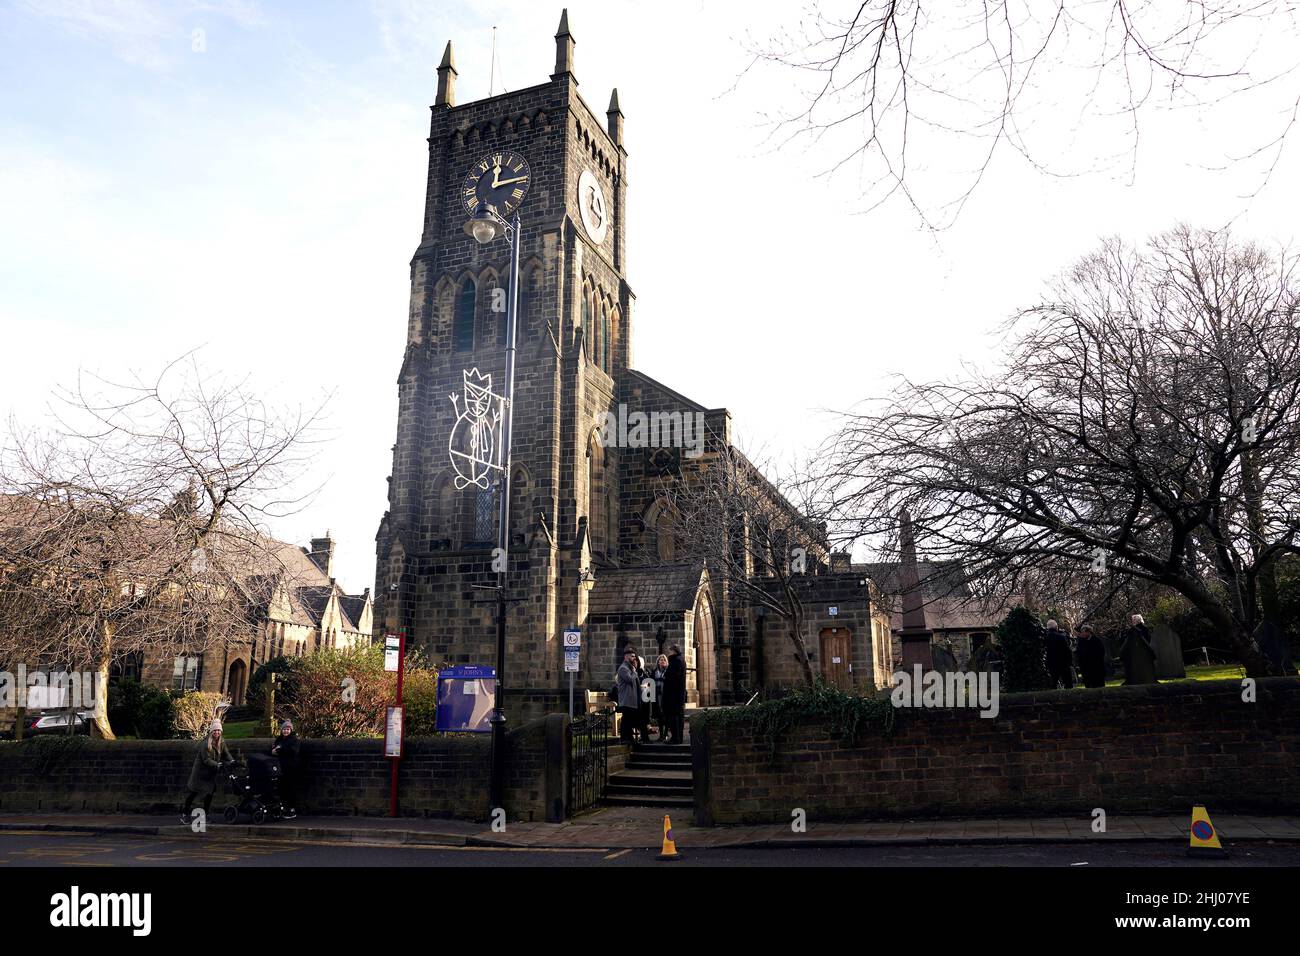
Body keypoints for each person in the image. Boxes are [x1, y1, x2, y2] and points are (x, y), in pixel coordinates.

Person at [181, 719, 233, 824]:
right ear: (211, 732)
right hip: (200, 773)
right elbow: (206, 760)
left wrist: (232, 761)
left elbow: (226, 754)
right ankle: (185, 814)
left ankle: (206, 814)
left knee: (209, 794)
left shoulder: (221, 742)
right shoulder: (205, 744)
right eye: (214, 731)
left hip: (210, 774)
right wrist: (217, 764)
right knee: (193, 793)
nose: (217, 732)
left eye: (218, 730)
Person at [270, 719, 300, 819]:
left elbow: (293, 751)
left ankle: (292, 809)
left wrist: (279, 750)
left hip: (291, 768)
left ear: (291, 730)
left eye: (287, 729)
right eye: (284, 729)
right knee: (281, 789)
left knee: (291, 789)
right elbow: (273, 749)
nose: (286, 731)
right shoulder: (279, 739)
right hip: (280, 768)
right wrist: (273, 751)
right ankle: (281, 809)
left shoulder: (294, 740)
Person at [1120, 613, 1158, 685]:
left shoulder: (1138, 630)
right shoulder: (1139, 629)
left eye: (1134, 620)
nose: (1132, 621)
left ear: (1138, 620)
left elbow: (1145, 640)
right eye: (1132, 620)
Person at [661, 644, 687, 745]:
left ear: (674, 651)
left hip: (673, 696)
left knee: (674, 717)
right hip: (677, 695)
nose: (668, 653)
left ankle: (675, 738)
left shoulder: (676, 661)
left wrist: (666, 672)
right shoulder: (680, 660)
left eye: (670, 651)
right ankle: (678, 738)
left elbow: (673, 677)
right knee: (678, 717)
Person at [615, 647, 640, 743]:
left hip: (631, 700)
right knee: (626, 720)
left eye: (634, 656)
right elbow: (629, 679)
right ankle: (624, 738)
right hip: (626, 699)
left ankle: (629, 738)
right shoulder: (623, 668)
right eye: (632, 656)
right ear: (626, 657)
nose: (634, 658)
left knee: (630, 720)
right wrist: (634, 671)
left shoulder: (629, 667)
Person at [1044, 619, 1074, 689]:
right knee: (1068, 683)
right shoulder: (1061, 637)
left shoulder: (1045, 638)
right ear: (1056, 627)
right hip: (1063, 663)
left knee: (1053, 683)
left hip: (1051, 663)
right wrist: (1070, 662)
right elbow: (1067, 650)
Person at [1075, 624, 1108, 689]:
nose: (1082, 634)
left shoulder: (1097, 640)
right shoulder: (1081, 641)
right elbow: (1079, 654)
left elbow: (1101, 653)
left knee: (1099, 687)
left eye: (1084, 632)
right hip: (1086, 670)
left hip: (1097, 669)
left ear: (1089, 632)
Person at [651, 654, 669, 742]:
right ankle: (661, 735)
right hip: (657, 696)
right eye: (660, 660)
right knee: (659, 716)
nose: (662, 661)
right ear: (658, 662)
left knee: (666, 716)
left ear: (666, 662)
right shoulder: (654, 671)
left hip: (666, 696)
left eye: (664, 660)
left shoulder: (668, 671)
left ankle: (665, 734)